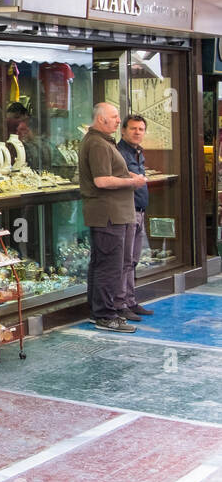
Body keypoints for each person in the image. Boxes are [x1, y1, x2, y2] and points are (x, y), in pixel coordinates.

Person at [78, 103, 147, 332]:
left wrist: (128, 175)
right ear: (101, 120)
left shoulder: (102, 141)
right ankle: (106, 315)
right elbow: (102, 180)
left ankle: (98, 311)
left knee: (102, 264)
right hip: (109, 215)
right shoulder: (97, 143)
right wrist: (132, 182)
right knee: (109, 266)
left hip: (112, 214)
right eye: (115, 117)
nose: (119, 121)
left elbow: (111, 173)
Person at [116, 114, 154, 318]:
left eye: (141, 129)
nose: (137, 132)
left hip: (140, 210)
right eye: (133, 129)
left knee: (133, 260)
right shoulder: (119, 152)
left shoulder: (138, 152)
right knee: (125, 260)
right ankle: (121, 304)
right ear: (123, 130)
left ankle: (131, 300)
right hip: (127, 211)